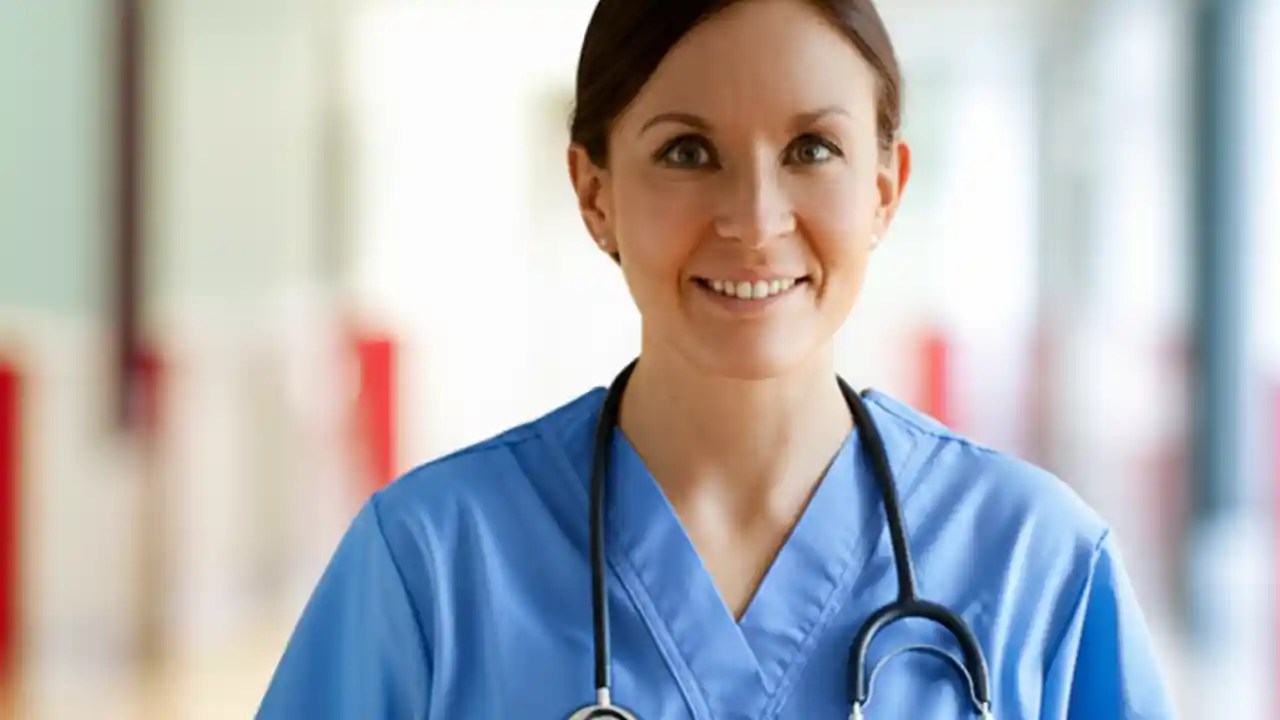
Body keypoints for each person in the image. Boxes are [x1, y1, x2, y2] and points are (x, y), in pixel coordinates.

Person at [258, 0, 1175, 717]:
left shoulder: (1038, 566)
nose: (756, 219)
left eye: (812, 149)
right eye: (688, 152)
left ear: (886, 189)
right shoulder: (433, 565)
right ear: (594, 192)